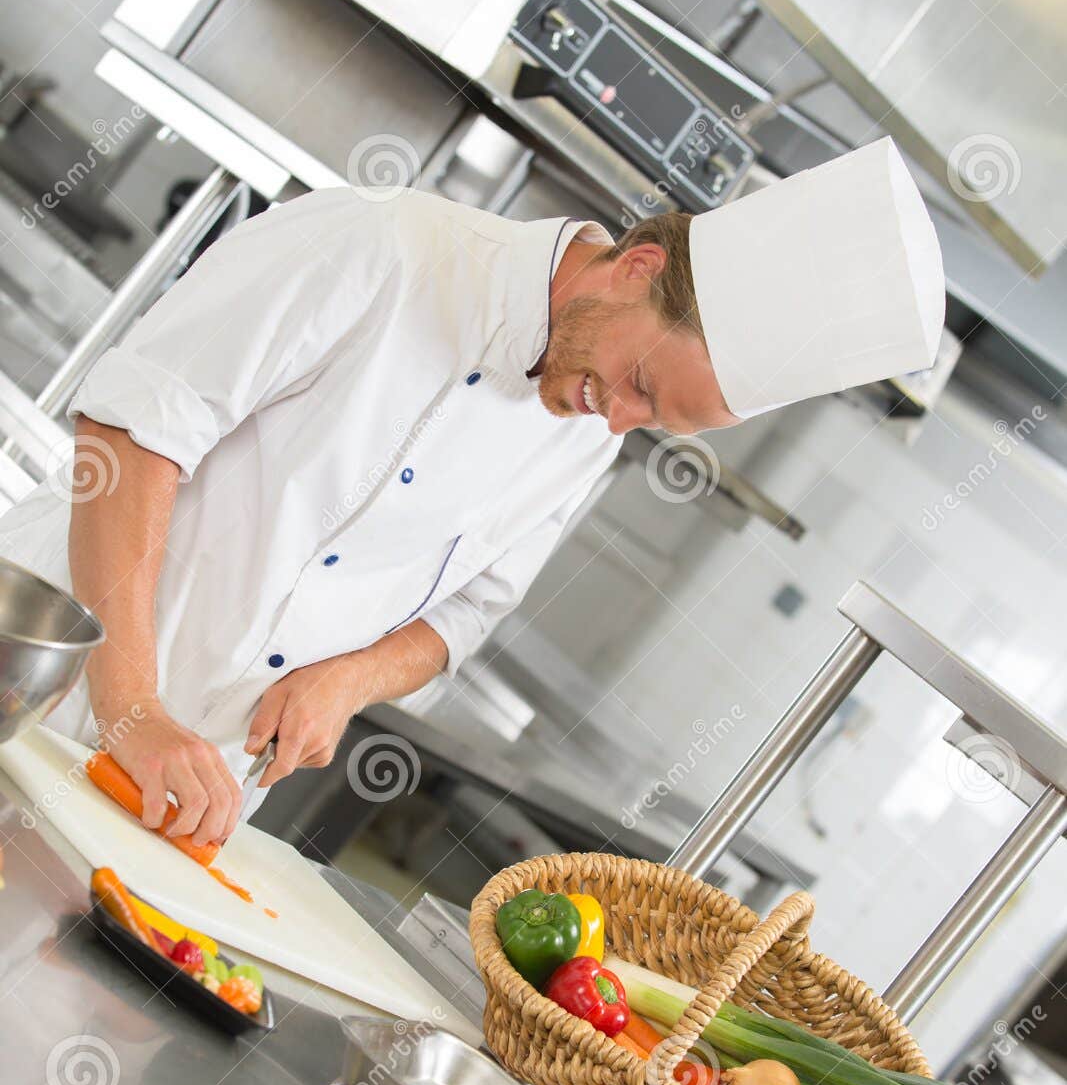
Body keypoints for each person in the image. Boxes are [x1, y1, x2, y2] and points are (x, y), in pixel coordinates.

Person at [0, 137, 944, 849]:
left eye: (651, 423)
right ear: (638, 268)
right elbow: (134, 435)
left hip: (190, 795)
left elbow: (468, 610)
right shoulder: (382, 246)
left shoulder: (585, 431)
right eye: (640, 386)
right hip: (39, 692)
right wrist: (129, 706)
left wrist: (350, 680)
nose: (615, 421)